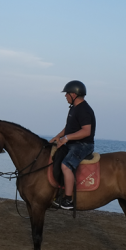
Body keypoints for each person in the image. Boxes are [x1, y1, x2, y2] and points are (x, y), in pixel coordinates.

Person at [49, 80, 96, 210]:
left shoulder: (84, 110)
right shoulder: (74, 109)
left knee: (66, 165)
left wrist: (66, 138)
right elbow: (69, 128)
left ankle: (68, 200)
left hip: (83, 145)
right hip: (72, 143)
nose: (65, 96)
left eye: (67, 93)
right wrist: (58, 137)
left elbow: (86, 131)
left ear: (74, 94)